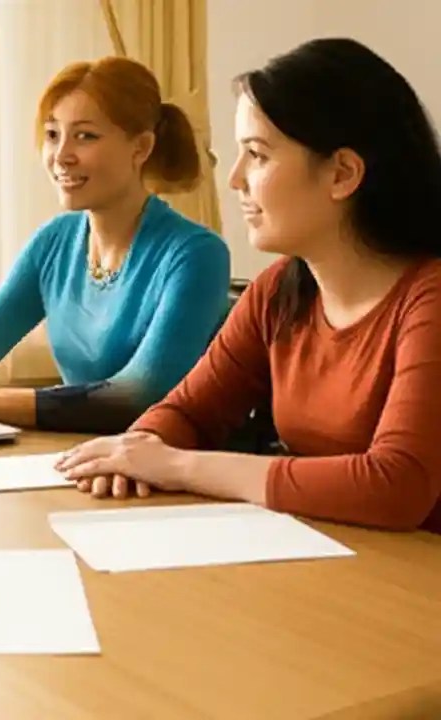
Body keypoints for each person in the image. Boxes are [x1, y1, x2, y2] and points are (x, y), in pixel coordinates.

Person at [58, 38, 441, 533]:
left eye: (257, 155)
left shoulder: (429, 298)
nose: (235, 179)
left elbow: (395, 488)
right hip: (333, 558)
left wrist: (176, 466)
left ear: (342, 173)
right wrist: (140, 448)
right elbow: (188, 411)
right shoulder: (279, 289)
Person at [0, 56, 229, 442]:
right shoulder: (55, 240)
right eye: (52, 135)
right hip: (85, 455)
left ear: (141, 147)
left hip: (174, 473)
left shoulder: (197, 254)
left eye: (85, 136)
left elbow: (136, 396)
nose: (61, 156)